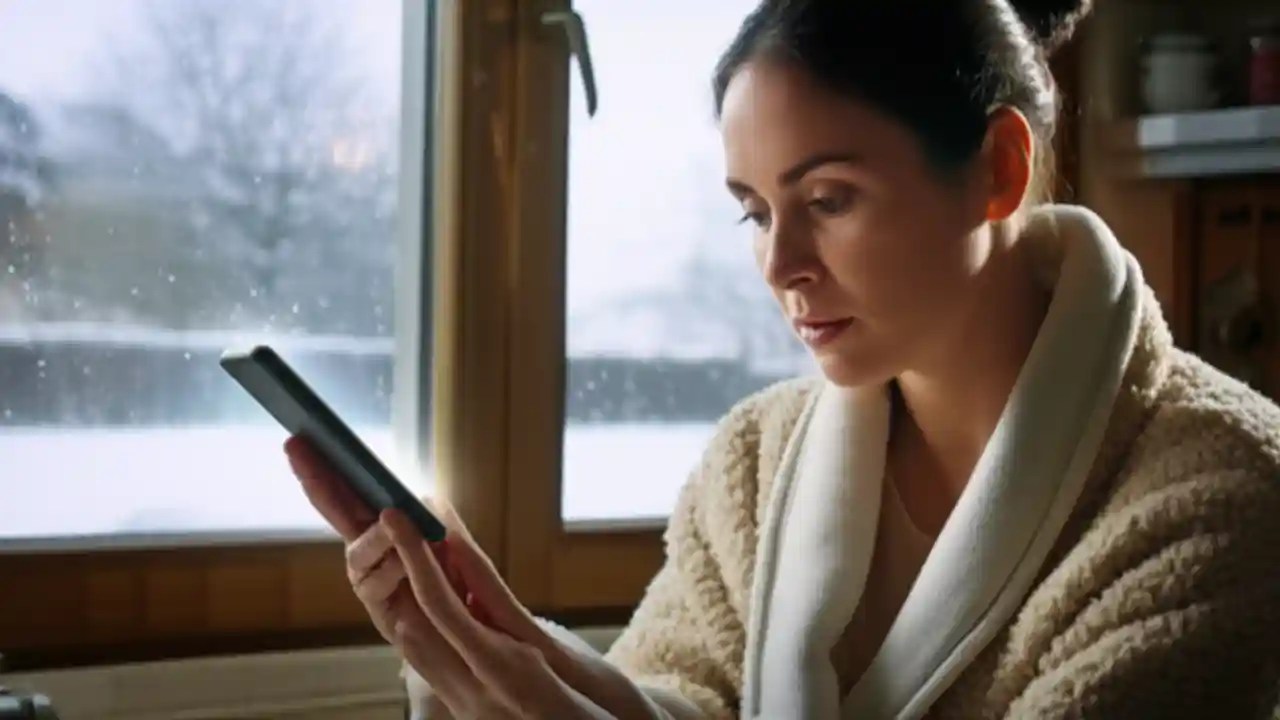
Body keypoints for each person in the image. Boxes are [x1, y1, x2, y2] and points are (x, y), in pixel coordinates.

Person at [284, 0, 1280, 717]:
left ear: (998, 169)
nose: (780, 264)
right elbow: (681, 700)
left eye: (828, 200)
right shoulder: (755, 463)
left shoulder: (1218, 492)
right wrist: (501, 651)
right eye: (754, 211)